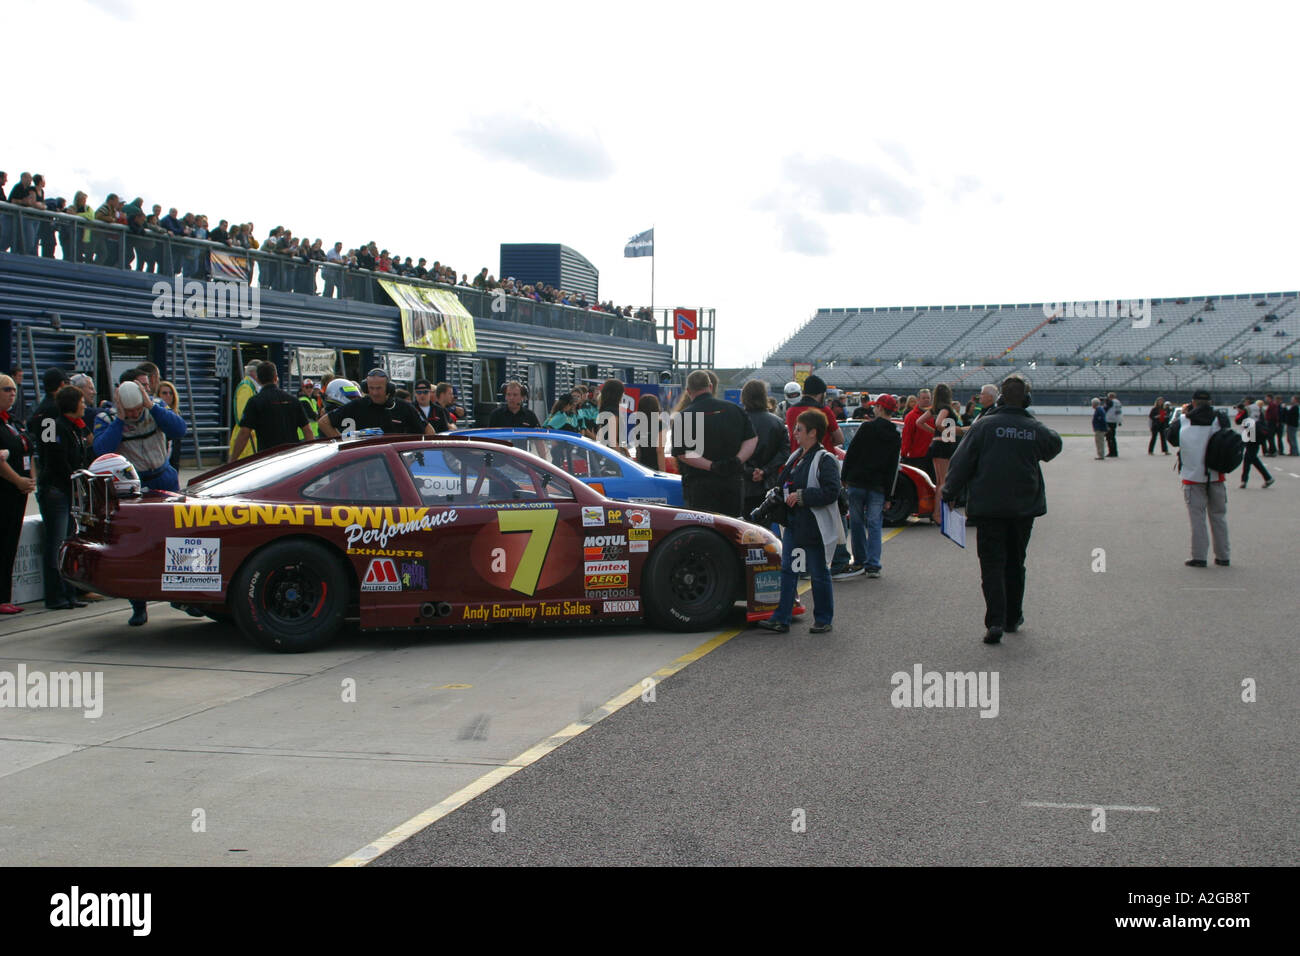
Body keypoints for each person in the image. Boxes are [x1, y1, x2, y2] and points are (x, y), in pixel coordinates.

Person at [941, 374, 1062, 644]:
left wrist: (949, 492)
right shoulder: (1033, 428)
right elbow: (1054, 445)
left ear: (999, 398)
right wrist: (1027, 421)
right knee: (1015, 563)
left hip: (988, 506)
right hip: (1023, 507)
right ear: (1027, 399)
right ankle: (1012, 617)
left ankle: (994, 621)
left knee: (992, 564)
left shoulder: (984, 426)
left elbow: (961, 462)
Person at [93, 380, 187, 625]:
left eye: (137, 410)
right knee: (136, 543)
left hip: (164, 479)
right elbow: (101, 449)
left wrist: (152, 407)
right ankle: (138, 604)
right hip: (132, 486)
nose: (135, 414)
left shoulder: (155, 408)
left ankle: (185, 597)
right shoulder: (107, 418)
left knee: (178, 539)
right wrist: (120, 421)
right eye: (130, 410)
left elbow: (179, 429)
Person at [756, 409, 843, 635]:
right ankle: (781, 617)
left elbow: (832, 492)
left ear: (813, 433)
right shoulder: (797, 456)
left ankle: (823, 618)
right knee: (788, 570)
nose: (794, 433)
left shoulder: (825, 459)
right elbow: (786, 483)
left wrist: (802, 496)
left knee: (818, 572)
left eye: (799, 429)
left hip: (813, 527)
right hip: (795, 524)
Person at [672, 370, 757, 518]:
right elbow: (751, 439)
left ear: (688, 391)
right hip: (732, 482)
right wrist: (737, 460)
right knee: (732, 527)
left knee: (704, 530)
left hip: (700, 485)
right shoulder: (735, 409)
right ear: (710, 386)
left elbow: (683, 453)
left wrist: (712, 466)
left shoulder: (684, 416)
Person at [837, 393, 901, 579]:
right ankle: (873, 565)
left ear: (880, 408)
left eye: (876, 407)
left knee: (856, 523)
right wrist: (889, 495)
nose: (873, 409)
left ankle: (859, 560)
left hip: (857, 481)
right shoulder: (894, 436)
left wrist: (844, 477)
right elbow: (892, 469)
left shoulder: (866, 428)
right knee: (874, 524)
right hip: (878, 486)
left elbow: (852, 454)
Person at [1166, 389, 1231, 568]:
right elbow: (1228, 436)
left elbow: (1171, 438)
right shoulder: (1220, 418)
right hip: (1216, 474)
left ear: (1193, 402)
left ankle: (1199, 556)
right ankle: (1223, 556)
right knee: (1219, 516)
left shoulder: (1184, 420)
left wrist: (1186, 414)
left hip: (1192, 475)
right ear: (1210, 402)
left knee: (1197, 518)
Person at [0, 373, 36, 614]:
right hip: (5, 489)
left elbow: (29, 449)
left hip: (18, 491)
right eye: (6, 389)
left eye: (14, 390)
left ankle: (6, 595)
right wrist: (18, 480)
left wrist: (30, 478)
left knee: (10, 542)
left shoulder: (13, 422)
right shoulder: (48, 416)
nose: (12, 394)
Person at [319, 368, 434, 437]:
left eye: (378, 388)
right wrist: (341, 447)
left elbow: (429, 431)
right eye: (371, 388)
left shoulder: (404, 407)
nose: (374, 393)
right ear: (365, 388)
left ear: (389, 388)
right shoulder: (357, 406)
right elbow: (324, 423)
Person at [230, 362, 310, 457]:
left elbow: (244, 433)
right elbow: (307, 430)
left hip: (267, 458)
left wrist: (233, 459)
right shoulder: (293, 400)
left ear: (258, 379)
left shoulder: (255, 402)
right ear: (276, 377)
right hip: (291, 457)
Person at [740, 379, 789, 521]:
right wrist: (765, 471)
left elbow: (731, 451)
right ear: (764, 396)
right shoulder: (777, 422)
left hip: (743, 484)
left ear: (744, 397)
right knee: (764, 531)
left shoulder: (737, 420)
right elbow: (785, 452)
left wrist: (749, 471)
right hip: (768, 484)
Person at [918, 383, 960, 522]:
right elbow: (939, 423)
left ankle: (938, 513)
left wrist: (934, 433)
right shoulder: (946, 408)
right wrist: (947, 432)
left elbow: (919, 422)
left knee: (940, 481)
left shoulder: (934, 408)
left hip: (937, 444)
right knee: (944, 481)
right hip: (944, 445)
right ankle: (938, 514)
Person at [784, 375, 842, 453]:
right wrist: (827, 444)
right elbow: (839, 439)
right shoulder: (824, 411)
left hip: (798, 459)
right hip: (822, 460)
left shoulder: (790, 411)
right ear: (820, 394)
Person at [1235, 400, 1274, 489]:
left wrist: (1240, 412)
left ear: (1248, 402)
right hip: (1259, 433)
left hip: (1251, 432)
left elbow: (1238, 421)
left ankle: (1267, 478)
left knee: (1250, 457)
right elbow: (1264, 421)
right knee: (1249, 457)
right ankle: (1244, 480)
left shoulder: (1247, 409)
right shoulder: (1259, 409)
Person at [900, 387, 935, 480]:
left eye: (928, 398)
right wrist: (904, 453)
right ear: (918, 400)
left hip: (931, 455)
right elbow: (907, 436)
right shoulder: (911, 416)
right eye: (924, 398)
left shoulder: (935, 415)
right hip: (916, 456)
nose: (926, 400)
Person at [228, 362, 260, 460]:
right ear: (254, 373)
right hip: (245, 441)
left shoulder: (252, 387)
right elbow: (243, 415)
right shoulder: (246, 387)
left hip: (249, 440)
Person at [633, 392, 669, 472]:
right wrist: (663, 473)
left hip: (643, 469)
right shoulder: (660, 425)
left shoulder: (638, 426)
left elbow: (638, 452)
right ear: (656, 408)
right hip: (655, 469)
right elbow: (659, 450)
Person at [157, 380, 182, 470]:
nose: (168, 396)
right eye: (164, 393)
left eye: (170, 393)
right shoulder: (155, 415)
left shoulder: (176, 416)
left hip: (173, 461)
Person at [1104, 392, 1122, 457]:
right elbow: (1119, 412)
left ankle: (1111, 452)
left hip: (1109, 420)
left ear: (1110, 397)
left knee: (1109, 438)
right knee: (1113, 437)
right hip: (1115, 420)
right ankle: (1115, 452)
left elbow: (1105, 409)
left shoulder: (1111, 402)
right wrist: (1120, 421)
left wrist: (1105, 403)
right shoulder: (1118, 402)